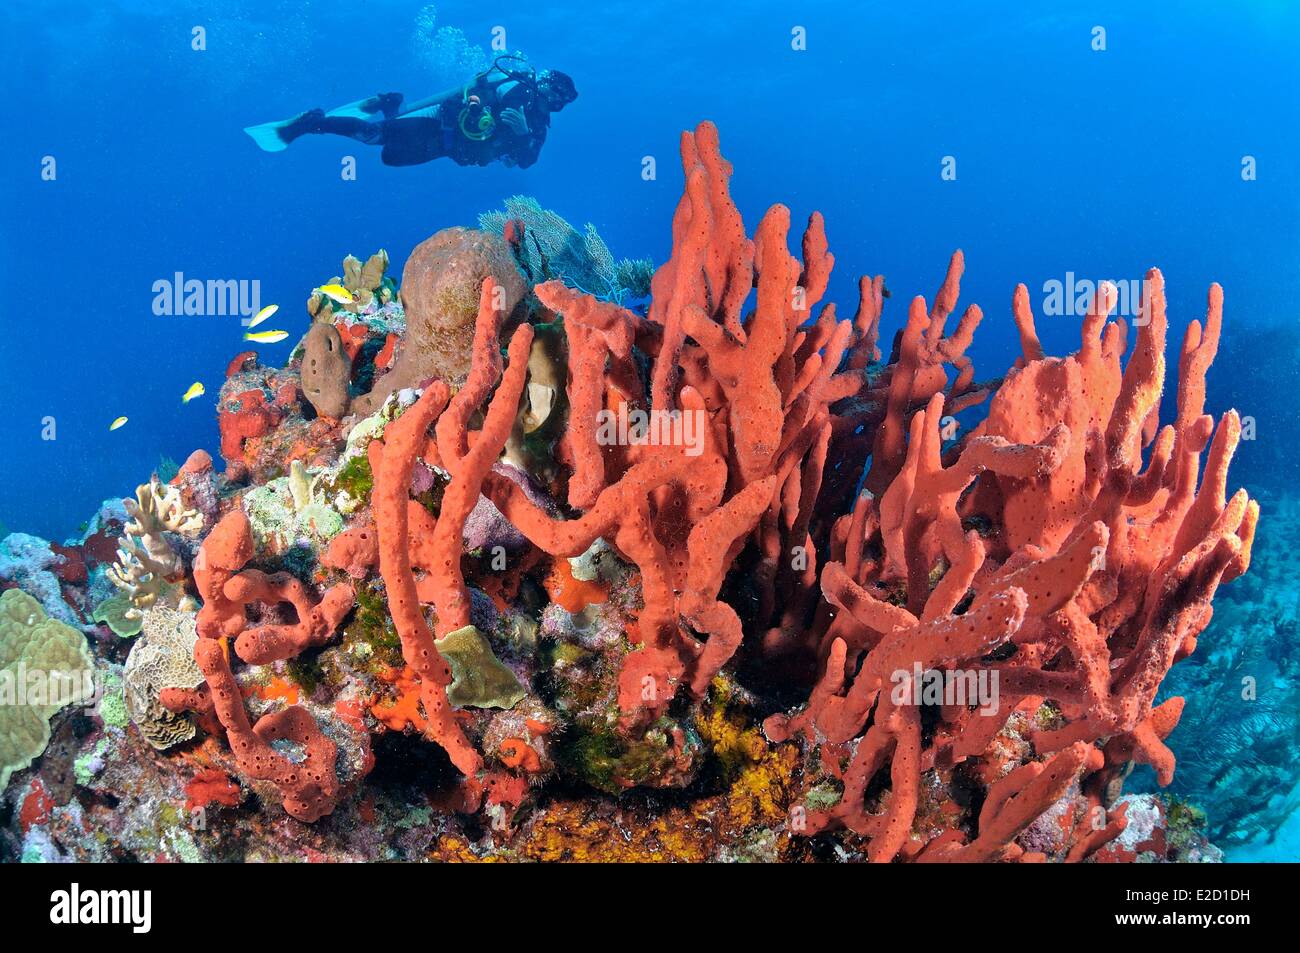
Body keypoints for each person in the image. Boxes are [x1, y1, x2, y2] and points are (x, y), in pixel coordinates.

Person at [244, 56, 577, 168]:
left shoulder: (538, 125)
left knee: (389, 158)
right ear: (545, 88)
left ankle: (392, 103)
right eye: (555, 98)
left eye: (560, 104)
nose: (555, 106)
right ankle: (308, 125)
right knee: (375, 136)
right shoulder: (517, 88)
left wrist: (521, 134)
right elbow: (478, 88)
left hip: (448, 148)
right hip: (442, 120)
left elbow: (525, 161)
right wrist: (475, 105)